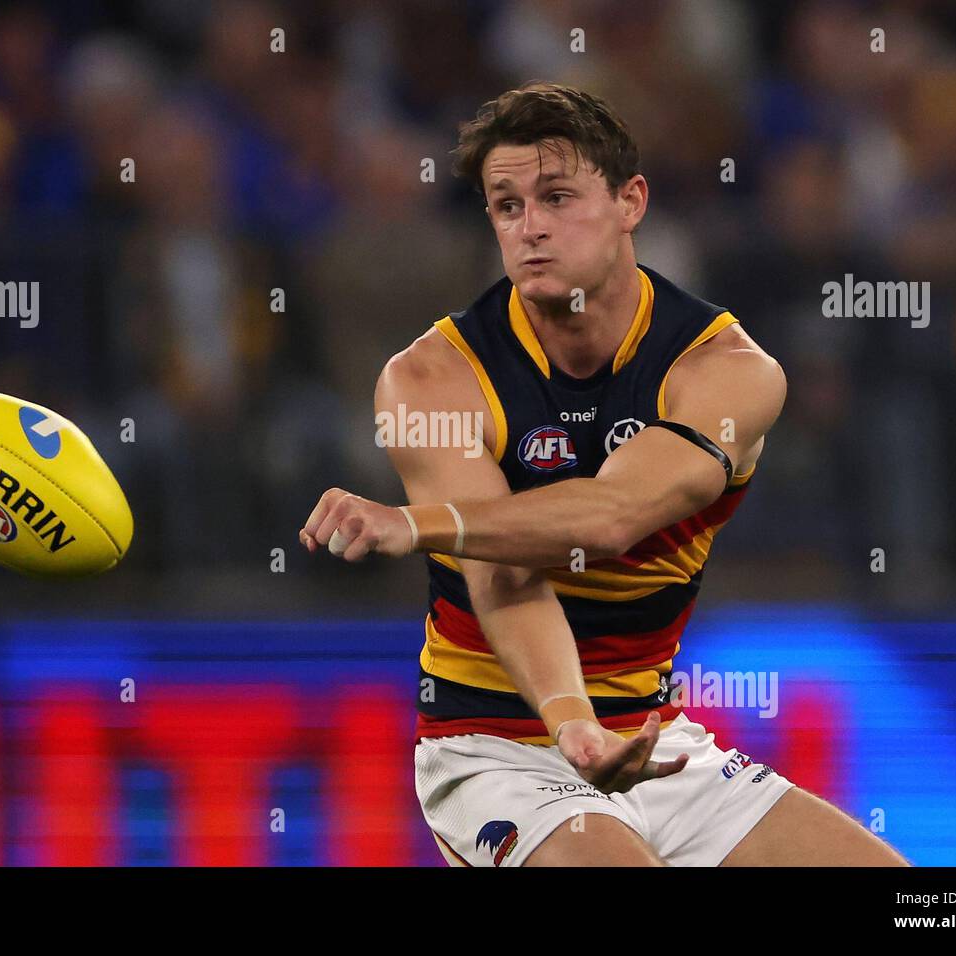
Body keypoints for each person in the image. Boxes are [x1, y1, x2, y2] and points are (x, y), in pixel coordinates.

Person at [301, 83, 908, 867]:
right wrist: (572, 724)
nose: (531, 227)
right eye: (507, 205)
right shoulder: (431, 378)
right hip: (493, 746)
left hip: (653, 741)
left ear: (631, 201)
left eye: (557, 196)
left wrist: (412, 523)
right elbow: (504, 576)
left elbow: (615, 514)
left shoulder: (726, 369)